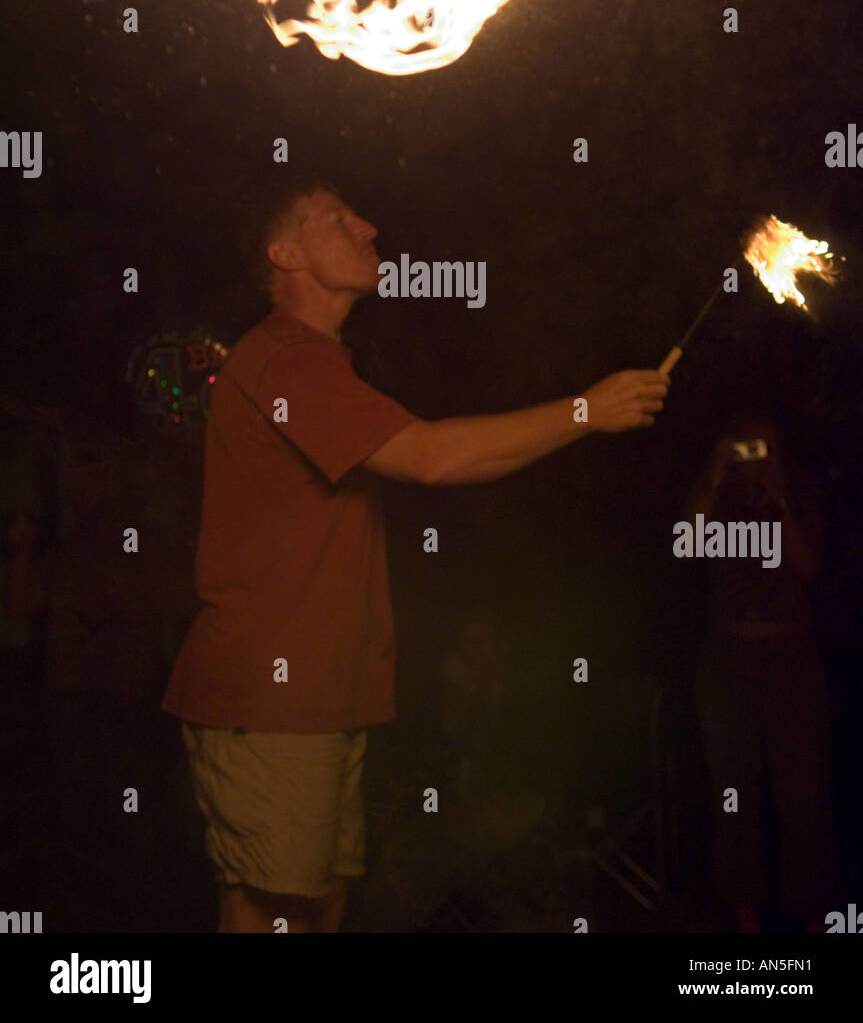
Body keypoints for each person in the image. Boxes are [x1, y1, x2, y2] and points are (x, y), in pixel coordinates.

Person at [162, 174, 669, 933]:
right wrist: (585, 410)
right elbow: (432, 457)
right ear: (285, 252)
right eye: (337, 219)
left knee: (317, 906)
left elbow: (441, 457)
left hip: (318, 697)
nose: (367, 227)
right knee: (273, 908)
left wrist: (584, 415)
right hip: (270, 698)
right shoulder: (284, 361)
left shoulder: (320, 364)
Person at [684, 413, 837, 932]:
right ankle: (745, 915)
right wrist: (714, 472)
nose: (754, 457)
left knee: (803, 793)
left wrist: (781, 496)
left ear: (780, 449)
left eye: (763, 447)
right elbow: (688, 544)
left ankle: (810, 912)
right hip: (728, 661)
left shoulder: (796, 491)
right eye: (744, 447)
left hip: (791, 661)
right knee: (732, 790)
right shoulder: (716, 494)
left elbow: (808, 566)